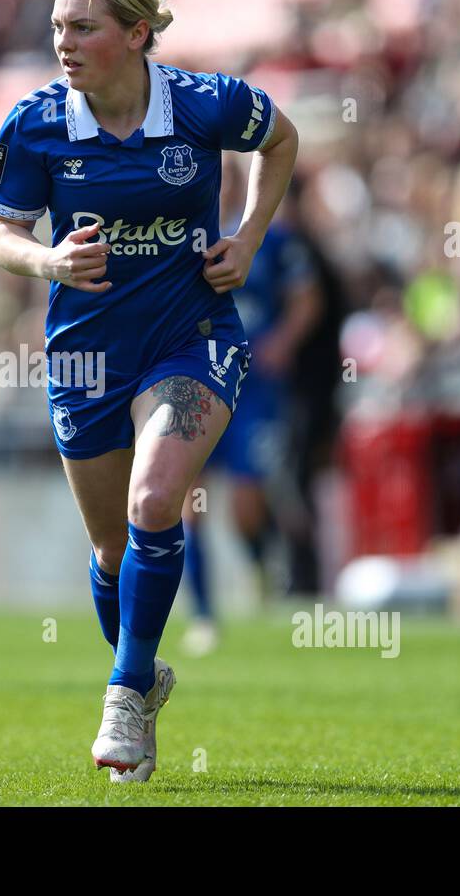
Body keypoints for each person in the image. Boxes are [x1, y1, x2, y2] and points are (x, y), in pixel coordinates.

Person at [0, 0, 297, 780]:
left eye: (82, 27)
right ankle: (145, 673)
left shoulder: (204, 104)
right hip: (85, 351)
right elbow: (1, 235)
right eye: (57, 26)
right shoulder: (33, 125)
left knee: (156, 501)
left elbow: (281, 138)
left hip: (190, 335)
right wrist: (48, 261)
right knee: (113, 550)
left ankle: (124, 692)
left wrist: (249, 233)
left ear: (135, 34)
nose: (64, 43)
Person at [180, 183, 323, 656]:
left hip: (255, 388)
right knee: (190, 502)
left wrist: (283, 341)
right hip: (199, 381)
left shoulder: (272, 238)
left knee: (246, 503)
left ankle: (261, 565)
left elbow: (307, 298)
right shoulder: (181, 232)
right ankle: (203, 615)